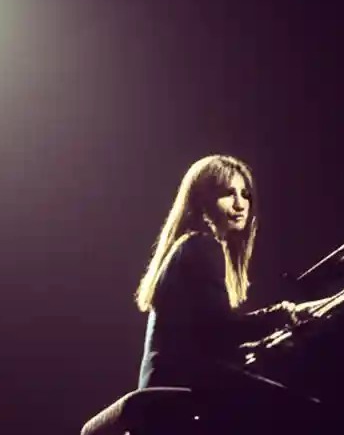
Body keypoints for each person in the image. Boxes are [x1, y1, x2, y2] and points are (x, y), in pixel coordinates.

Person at [135, 154, 317, 391]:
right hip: (180, 391)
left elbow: (204, 337)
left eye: (245, 194)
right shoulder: (200, 245)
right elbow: (220, 332)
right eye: (228, 193)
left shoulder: (187, 247)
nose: (240, 204)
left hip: (167, 384)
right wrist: (282, 314)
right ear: (203, 200)